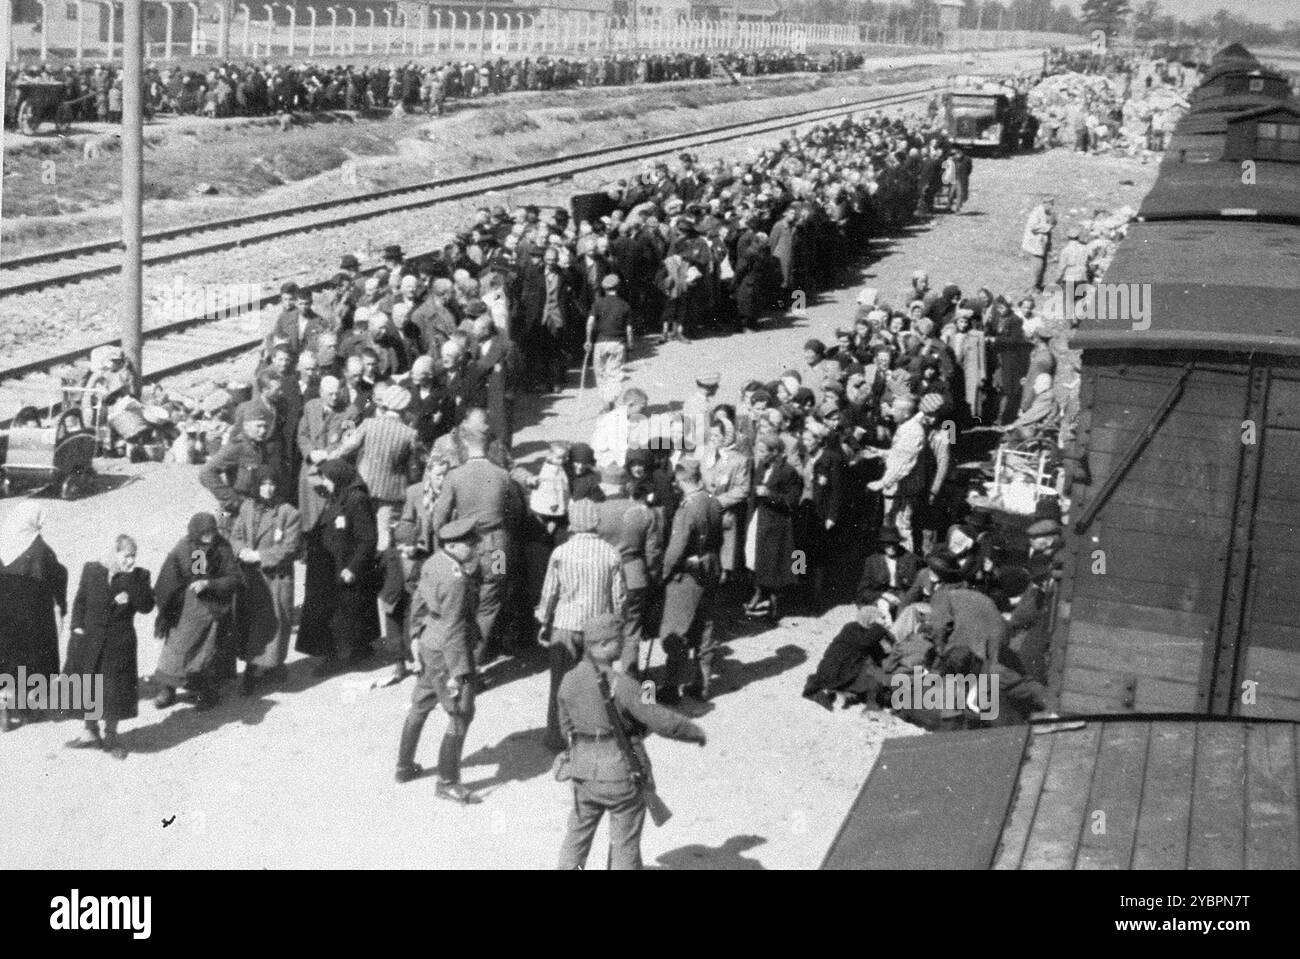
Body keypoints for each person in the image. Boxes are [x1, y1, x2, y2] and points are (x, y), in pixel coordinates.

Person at [555, 613, 706, 870]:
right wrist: (694, 732)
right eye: (618, 640)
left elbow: (565, 728)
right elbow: (661, 720)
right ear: (602, 645)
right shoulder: (624, 684)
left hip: (582, 773)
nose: (624, 644)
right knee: (625, 844)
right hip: (620, 775)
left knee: (576, 837)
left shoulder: (568, 680)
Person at [395, 517, 483, 804]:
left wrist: (416, 636)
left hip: (430, 643)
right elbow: (455, 628)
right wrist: (460, 671)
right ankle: (447, 782)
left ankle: (404, 767)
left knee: (421, 702)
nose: (476, 546)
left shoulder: (433, 562)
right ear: (454, 545)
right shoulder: (455, 579)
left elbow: (418, 601)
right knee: (461, 713)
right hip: (448, 651)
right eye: (471, 543)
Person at [536, 499, 627, 751]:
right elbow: (619, 598)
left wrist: (544, 621)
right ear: (596, 521)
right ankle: (595, 733)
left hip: (565, 627)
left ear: (573, 523)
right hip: (597, 631)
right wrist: (618, 625)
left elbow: (549, 593)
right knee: (597, 683)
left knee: (560, 683)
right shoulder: (610, 553)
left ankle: (556, 736)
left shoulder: (560, 553)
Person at [431, 417, 517, 665]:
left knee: (463, 601)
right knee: (491, 599)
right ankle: (475, 660)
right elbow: (512, 512)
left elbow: (440, 516)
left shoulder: (455, 476)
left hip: (465, 549)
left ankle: (459, 661)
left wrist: (445, 541)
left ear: (465, 444)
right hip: (498, 549)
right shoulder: (501, 475)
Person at [63, 535, 155, 755]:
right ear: (114, 553)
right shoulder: (92, 570)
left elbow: (146, 606)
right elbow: (80, 600)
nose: (130, 561)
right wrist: (76, 626)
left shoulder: (139, 576)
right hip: (90, 639)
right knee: (89, 685)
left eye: (134, 556)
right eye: (126, 556)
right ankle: (90, 732)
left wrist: (131, 582)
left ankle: (112, 737)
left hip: (118, 643)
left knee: (114, 691)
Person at [296, 459, 380, 675]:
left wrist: (353, 567)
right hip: (330, 565)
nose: (324, 482)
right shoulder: (339, 495)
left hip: (344, 567)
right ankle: (355, 649)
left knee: (340, 615)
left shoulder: (356, 499)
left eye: (326, 478)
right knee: (343, 613)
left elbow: (368, 539)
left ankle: (338, 658)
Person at [153, 513, 243, 711]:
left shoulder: (222, 547)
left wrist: (210, 583)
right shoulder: (185, 547)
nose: (209, 537)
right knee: (177, 649)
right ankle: (168, 689)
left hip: (213, 608)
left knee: (206, 653)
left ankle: (206, 691)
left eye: (212, 532)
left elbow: (233, 577)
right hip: (187, 609)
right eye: (204, 533)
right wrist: (169, 607)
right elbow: (168, 579)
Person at [230, 469, 302, 695]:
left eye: (272, 484)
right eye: (263, 484)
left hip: (275, 578)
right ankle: (254, 669)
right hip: (251, 576)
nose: (268, 488)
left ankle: (270, 666)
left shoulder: (288, 512)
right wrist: (241, 551)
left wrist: (260, 556)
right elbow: (236, 535)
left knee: (276, 623)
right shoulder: (247, 507)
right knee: (252, 623)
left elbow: (289, 548)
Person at [658, 458, 723, 704]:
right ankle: (702, 685)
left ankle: (671, 688)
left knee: (677, 631)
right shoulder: (712, 501)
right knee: (705, 628)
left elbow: (676, 550)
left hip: (687, 576)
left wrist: (664, 574)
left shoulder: (687, 509)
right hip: (710, 570)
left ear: (683, 480)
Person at [326, 383, 417, 552]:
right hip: (391, 493)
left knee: (360, 531)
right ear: (404, 408)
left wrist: (330, 456)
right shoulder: (409, 434)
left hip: (364, 485)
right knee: (384, 533)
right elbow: (414, 468)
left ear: (385, 404)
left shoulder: (368, 424)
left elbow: (348, 446)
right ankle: (382, 570)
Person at [0, 504, 68, 730]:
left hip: (5, 614)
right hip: (34, 615)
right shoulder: (38, 548)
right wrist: (62, 605)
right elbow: (59, 574)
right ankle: (29, 707)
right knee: (34, 660)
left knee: (7, 660)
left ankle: (5, 710)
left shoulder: (4, 539)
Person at [744, 434, 803, 622]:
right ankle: (758, 593)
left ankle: (774, 603)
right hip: (760, 519)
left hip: (777, 524)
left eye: (763, 451)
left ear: (775, 452)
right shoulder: (762, 467)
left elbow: (790, 502)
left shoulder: (789, 472)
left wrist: (770, 494)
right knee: (755, 558)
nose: (759, 455)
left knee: (773, 564)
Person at [586, 273, 634, 409]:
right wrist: (630, 345)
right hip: (617, 343)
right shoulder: (625, 305)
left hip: (600, 343)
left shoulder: (597, 304)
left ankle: (605, 401)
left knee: (600, 374)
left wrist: (588, 340)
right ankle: (610, 401)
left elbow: (590, 323)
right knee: (614, 374)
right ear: (618, 287)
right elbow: (629, 329)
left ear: (604, 288)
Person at [1021, 195, 1056, 293]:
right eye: (1049, 205)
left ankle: (1038, 285)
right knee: (1038, 265)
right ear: (1044, 203)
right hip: (1036, 243)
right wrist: (1047, 227)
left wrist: (1053, 222)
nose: (1051, 207)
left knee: (1043, 264)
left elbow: (1054, 222)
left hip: (1043, 242)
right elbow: (1033, 226)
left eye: (1052, 205)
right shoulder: (1036, 212)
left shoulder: (1049, 212)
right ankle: (1033, 286)